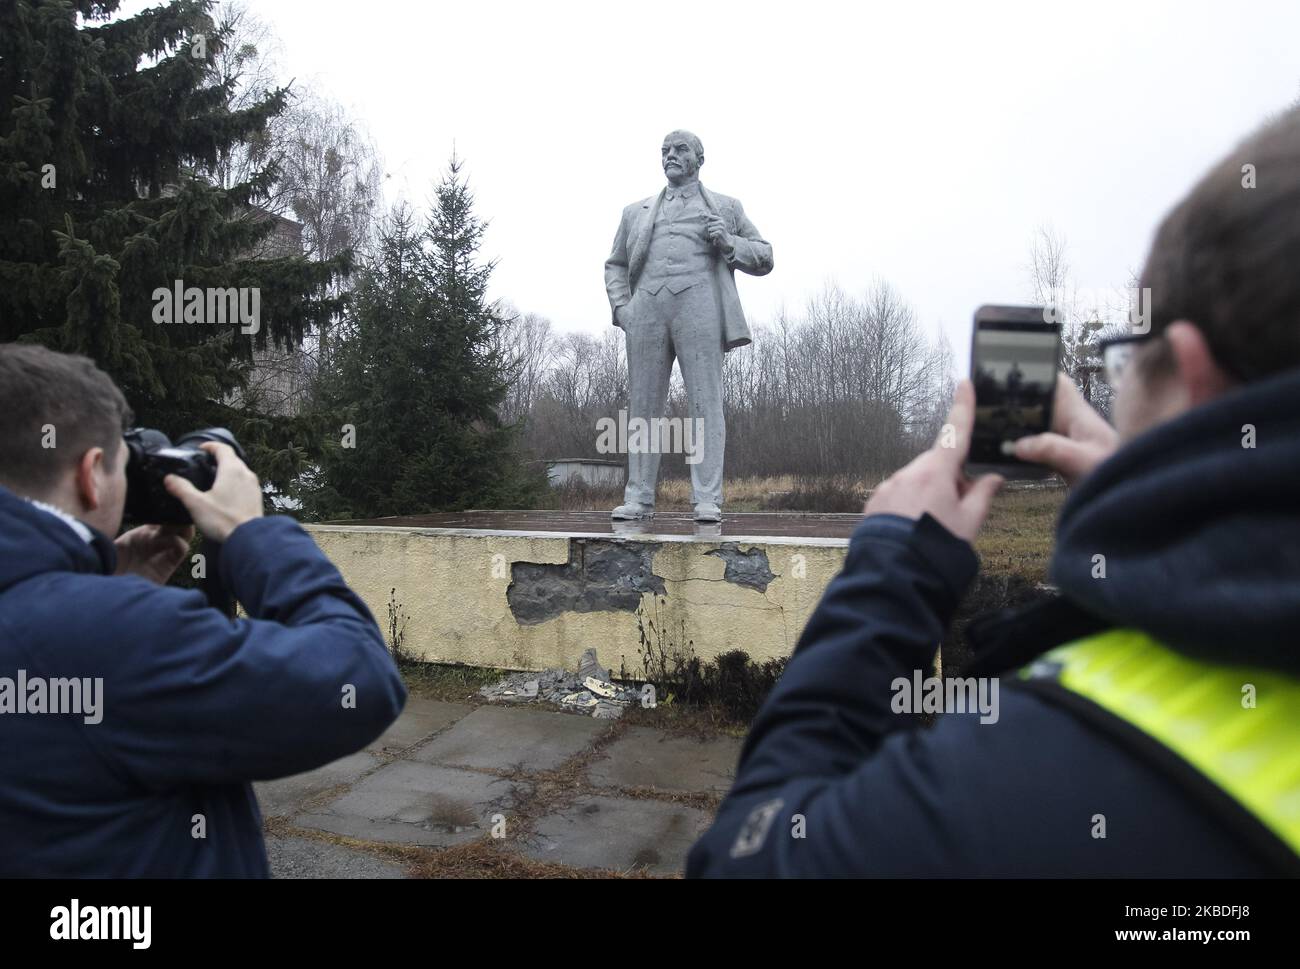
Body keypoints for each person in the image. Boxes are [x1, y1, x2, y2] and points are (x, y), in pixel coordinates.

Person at [687, 106, 1300, 877]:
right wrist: (1145, 536)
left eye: (1126, 357)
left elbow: (746, 857)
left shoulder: (1011, 784)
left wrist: (887, 571)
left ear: (1186, 369)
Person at [0, 344, 406, 877]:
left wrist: (94, 589)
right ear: (91, 474)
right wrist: (252, 536)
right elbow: (361, 678)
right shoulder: (113, 638)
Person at [604, 129, 773, 523]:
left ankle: (707, 498)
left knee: (705, 402)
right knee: (644, 405)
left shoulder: (726, 207)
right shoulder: (635, 212)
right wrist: (623, 309)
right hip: (645, 309)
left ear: (699, 158)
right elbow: (615, 264)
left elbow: (764, 256)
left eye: (680, 150)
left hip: (700, 305)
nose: (670, 156)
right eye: (664, 151)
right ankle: (639, 497)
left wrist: (729, 242)